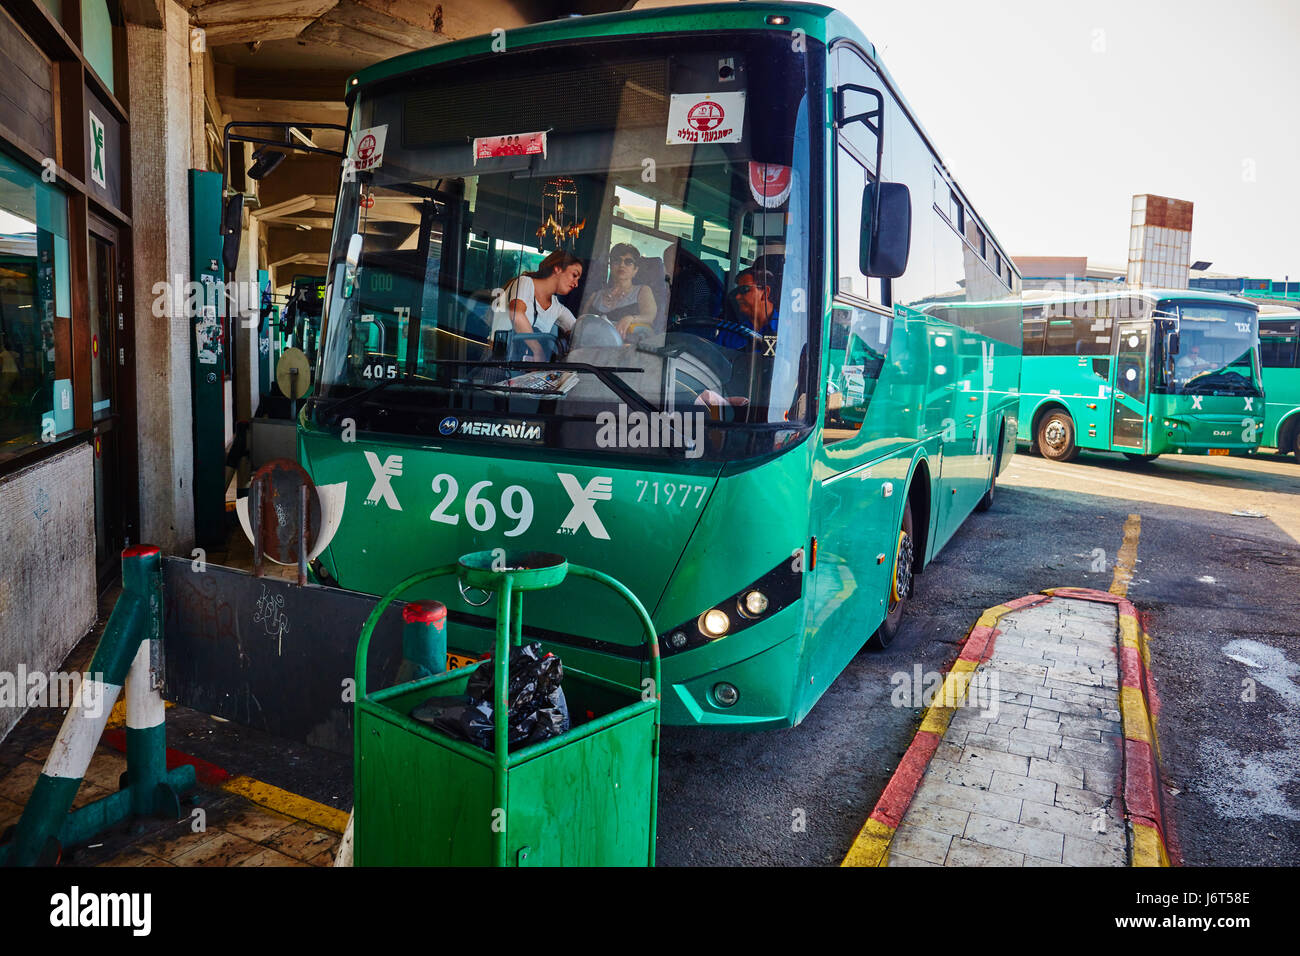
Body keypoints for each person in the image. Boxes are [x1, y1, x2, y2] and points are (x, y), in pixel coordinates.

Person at [491, 250, 583, 361]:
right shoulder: (524, 283)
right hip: (498, 361)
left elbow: (579, 330)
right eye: (574, 275)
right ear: (557, 269)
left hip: (523, 368)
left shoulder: (557, 307)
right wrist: (538, 350)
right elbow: (517, 315)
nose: (576, 284)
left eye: (578, 279)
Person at [580, 243, 657, 338]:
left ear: (635, 270)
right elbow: (581, 323)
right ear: (611, 267)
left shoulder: (642, 290)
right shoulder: (596, 295)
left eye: (628, 262)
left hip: (623, 349)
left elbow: (649, 317)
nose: (622, 265)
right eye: (617, 261)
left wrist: (630, 319)